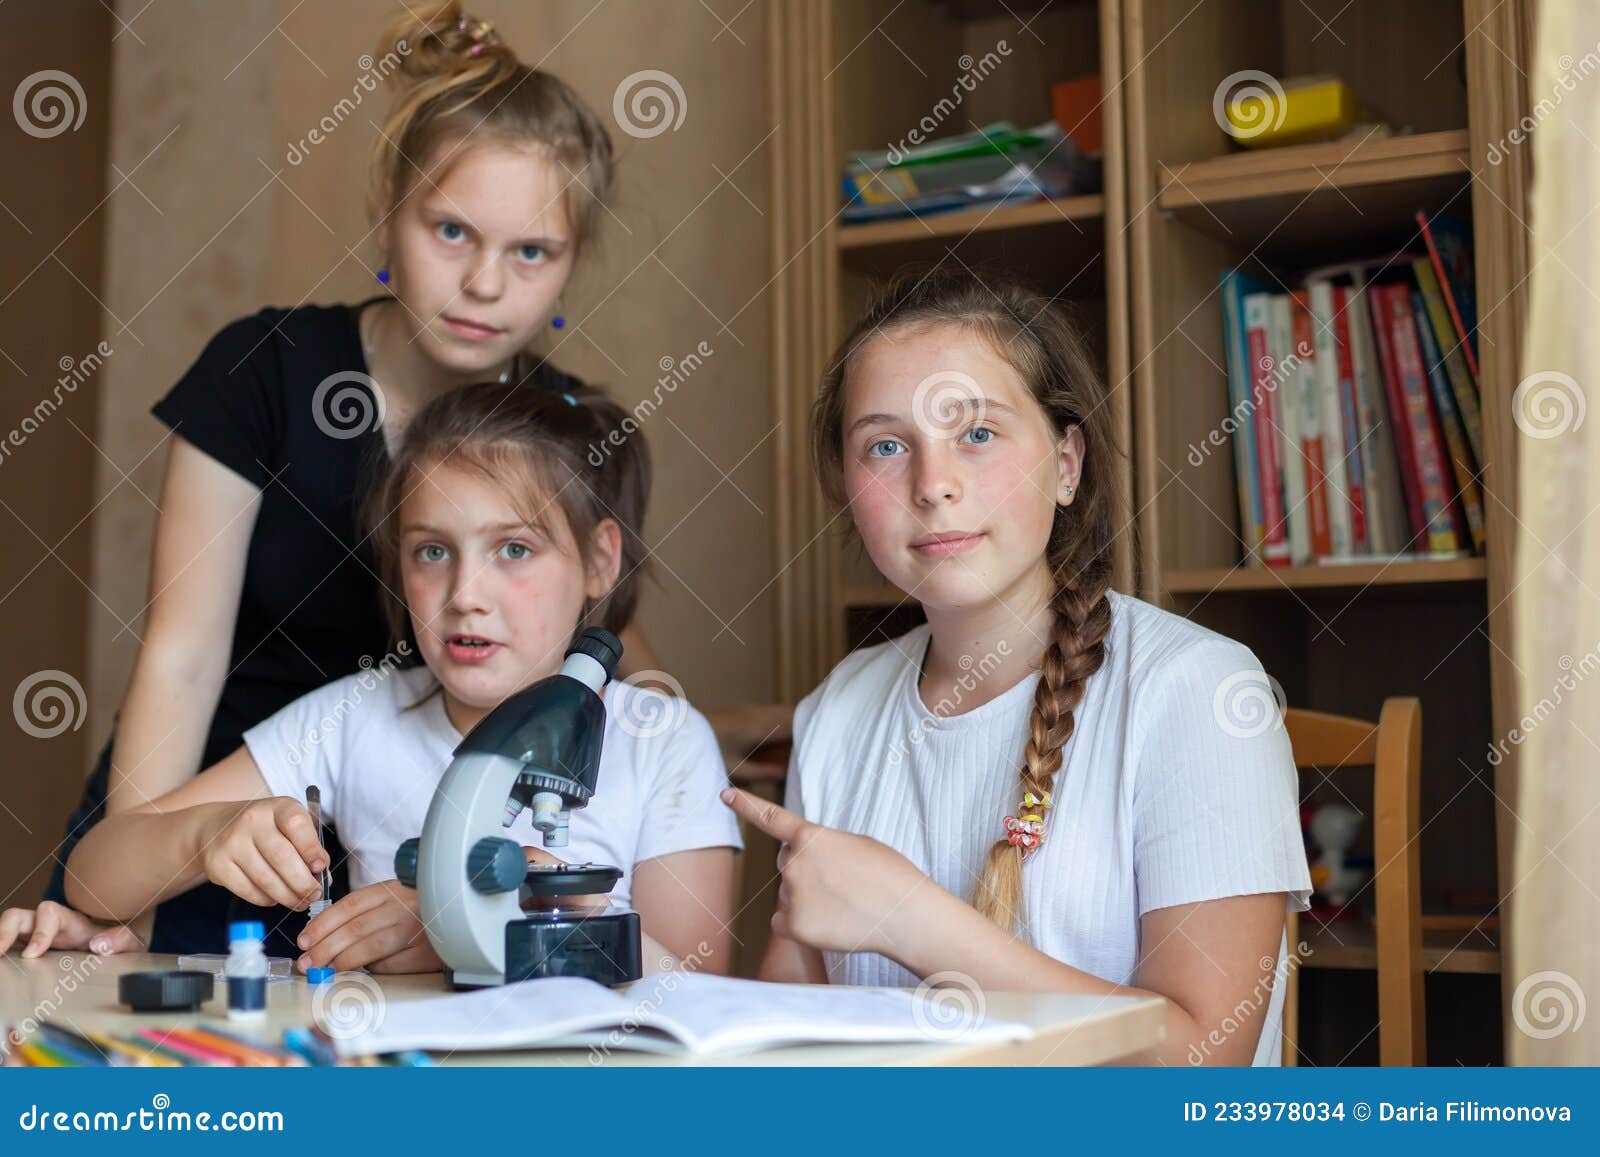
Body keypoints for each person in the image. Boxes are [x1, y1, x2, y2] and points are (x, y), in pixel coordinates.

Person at [29, 1, 654, 959]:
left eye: (532, 251)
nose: (486, 284)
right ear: (386, 213)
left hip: (422, 864)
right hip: (220, 830)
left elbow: (600, 661)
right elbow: (180, 657)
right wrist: (134, 899)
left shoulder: (566, 432)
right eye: (451, 232)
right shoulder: (266, 372)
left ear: (572, 263)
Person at [721, 268, 1312, 1065]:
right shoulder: (839, 710)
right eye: (887, 446)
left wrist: (911, 919)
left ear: (1067, 463)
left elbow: (1203, 1064)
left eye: (978, 433)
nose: (933, 485)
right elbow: (785, 1047)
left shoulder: (1199, 691)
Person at [59, 383, 739, 974]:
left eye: (514, 549)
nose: (466, 593)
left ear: (598, 559)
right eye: (432, 551)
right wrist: (203, 837)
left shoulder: (663, 741)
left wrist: (454, 926)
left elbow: (691, 985)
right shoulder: (351, 719)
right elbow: (93, 878)